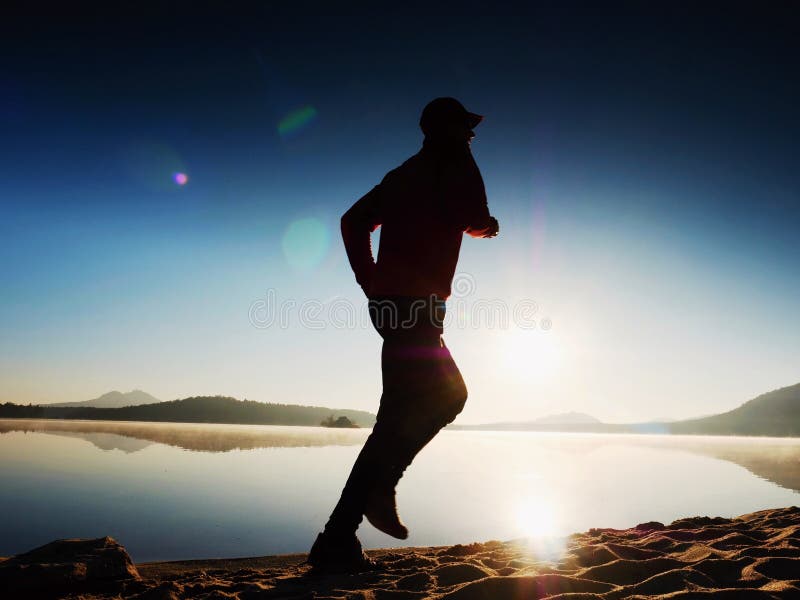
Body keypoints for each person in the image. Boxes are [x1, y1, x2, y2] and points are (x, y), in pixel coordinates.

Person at [308, 97, 499, 571]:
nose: (472, 136)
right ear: (450, 131)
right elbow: (472, 215)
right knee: (443, 398)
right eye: (466, 129)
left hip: (394, 304)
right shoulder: (453, 165)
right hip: (416, 306)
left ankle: (341, 533)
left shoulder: (401, 175)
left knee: (414, 408)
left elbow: (353, 221)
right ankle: (364, 505)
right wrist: (486, 226)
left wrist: (370, 281)